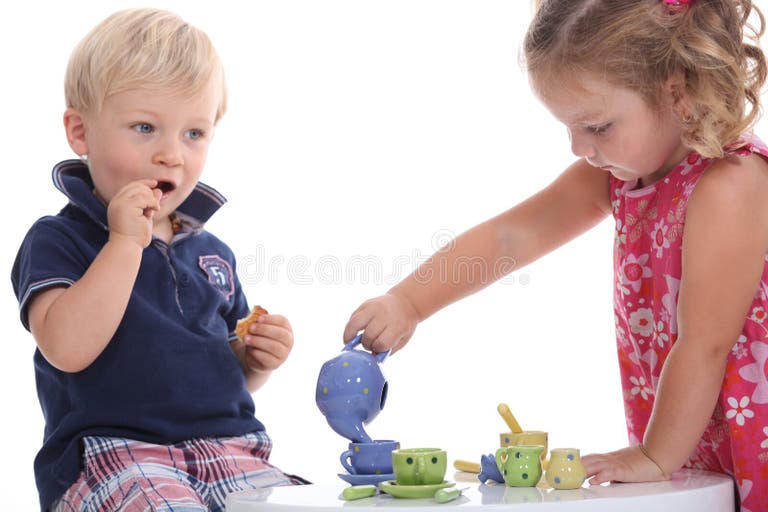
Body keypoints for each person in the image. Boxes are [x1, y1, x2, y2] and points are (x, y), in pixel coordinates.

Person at [343, 0, 768, 508]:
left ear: (677, 92)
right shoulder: (625, 174)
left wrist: (655, 456)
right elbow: (510, 236)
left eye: (597, 126)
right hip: (691, 437)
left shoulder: (730, 185)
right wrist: (408, 302)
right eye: (568, 127)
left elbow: (705, 344)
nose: (577, 147)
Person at [11, 8, 306, 512]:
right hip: (114, 456)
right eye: (145, 127)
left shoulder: (213, 253)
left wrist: (253, 361)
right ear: (80, 132)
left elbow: (218, 367)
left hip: (231, 450)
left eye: (194, 133)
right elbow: (66, 348)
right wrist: (125, 243)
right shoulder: (58, 239)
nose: (172, 154)